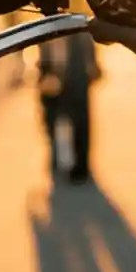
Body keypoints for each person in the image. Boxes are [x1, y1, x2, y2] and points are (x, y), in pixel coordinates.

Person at [38, 32, 102, 183]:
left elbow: (89, 48)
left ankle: (81, 166)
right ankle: (56, 157)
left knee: (80, 124)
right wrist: (44, 74)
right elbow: (43, 53)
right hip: (52, 81)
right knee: (51, 121)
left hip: (77, 81)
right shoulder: (46, 30)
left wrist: (93, 67)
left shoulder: (78, 29)